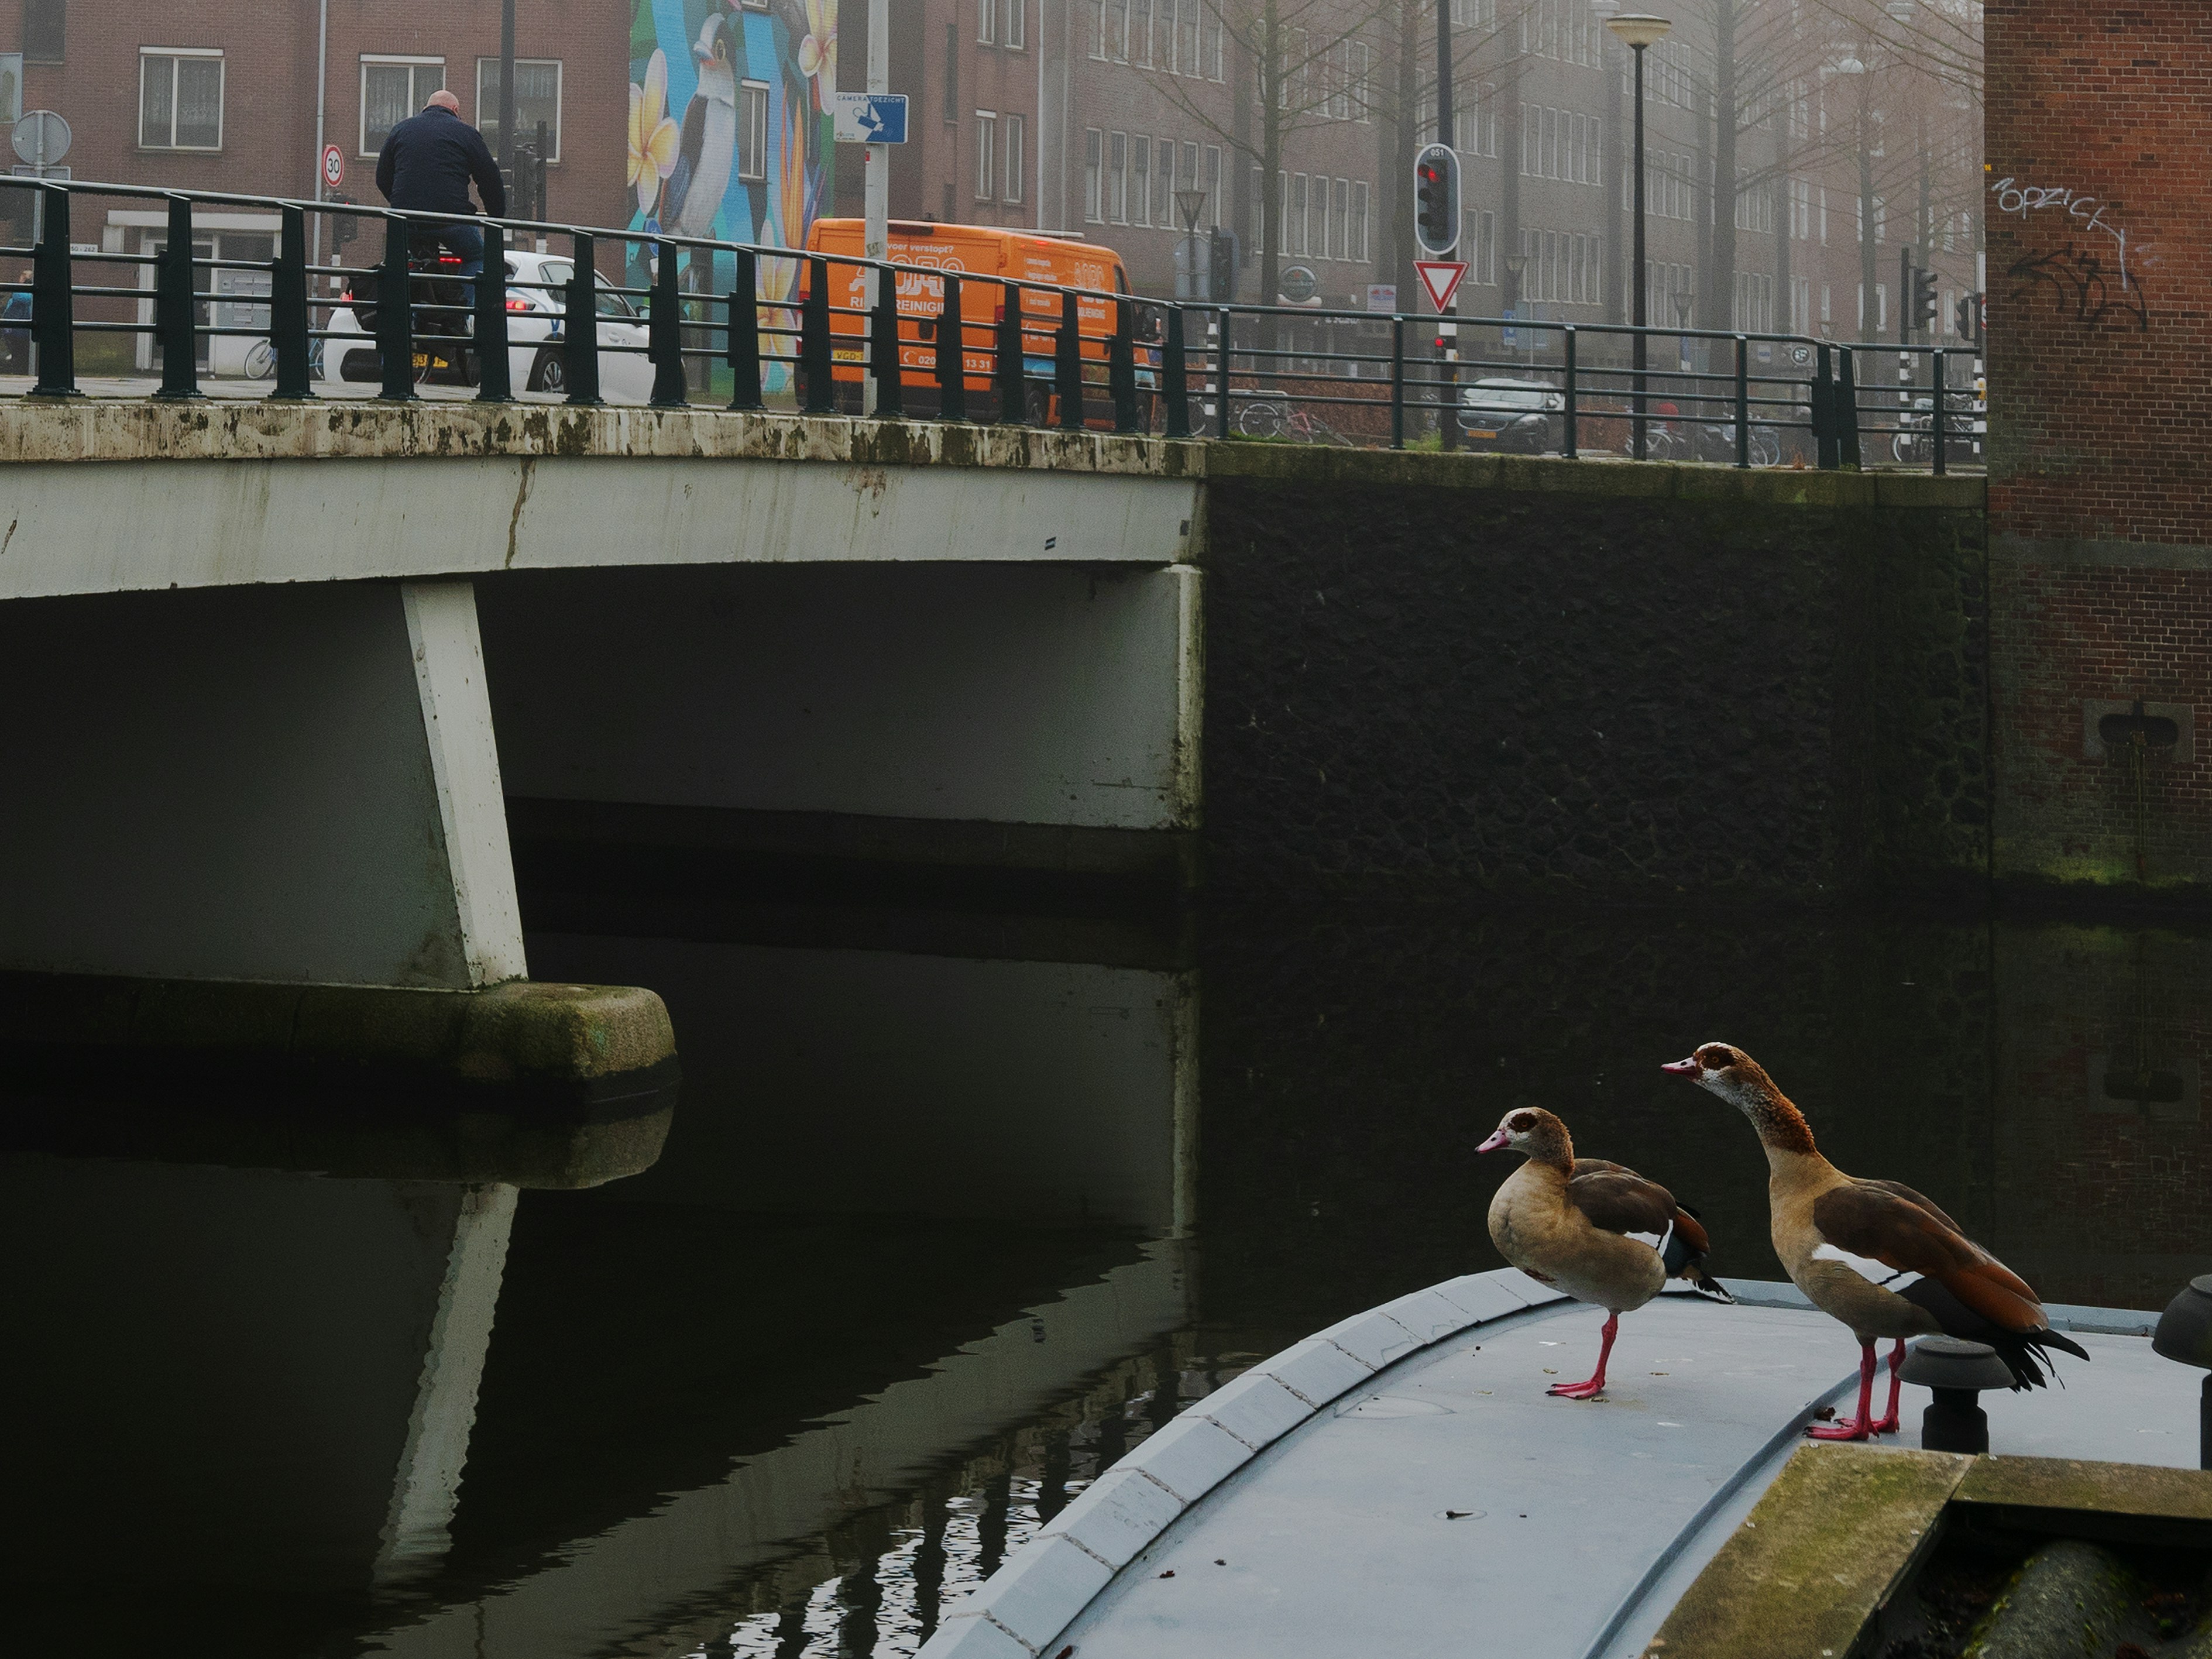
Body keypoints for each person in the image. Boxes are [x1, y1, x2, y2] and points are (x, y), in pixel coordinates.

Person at [373, 89, 505, 292]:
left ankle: (413, 317)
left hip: (407, 219)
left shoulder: (400, 130)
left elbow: (382, 177)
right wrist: (496, 216)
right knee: (479, 257)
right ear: (455, 109)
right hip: (451, 217)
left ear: (426, 108)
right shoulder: (465, 133)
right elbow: (490, 179)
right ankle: (463, 314)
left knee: (413, 262)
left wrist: (402, 204)